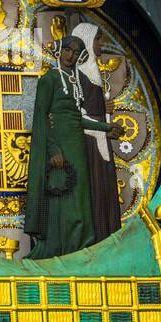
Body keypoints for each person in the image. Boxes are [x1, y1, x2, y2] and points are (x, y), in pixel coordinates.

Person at [24, 35, 120, 259]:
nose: (71, 56)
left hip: (77, 149)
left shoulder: (76, 81)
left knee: (80, 201)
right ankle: (59, 250)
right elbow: (40, 118)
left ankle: (80, 248)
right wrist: (53, 150)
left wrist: (106, 128)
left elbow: (77, 119)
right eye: (68, 50)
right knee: (62, 200)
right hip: (61, 149)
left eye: (76, 53)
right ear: (60, 51)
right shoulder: (49, 80)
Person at [71, 22, 122, 241]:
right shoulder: (78, 73)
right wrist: (102, 117)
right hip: (89, 142)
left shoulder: (92, 69)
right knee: (94, 191)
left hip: (100, 138)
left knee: (103, 190)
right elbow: (74, 113)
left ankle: (106, 238)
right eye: (98, 39)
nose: (101, 43)